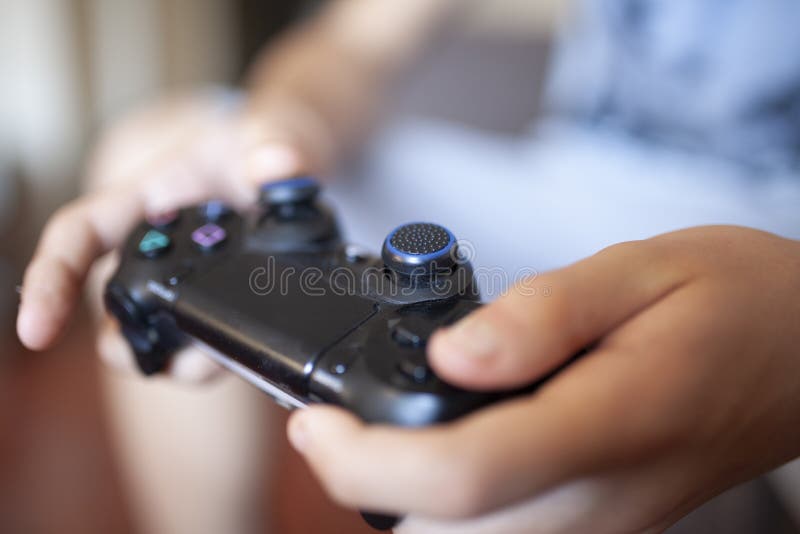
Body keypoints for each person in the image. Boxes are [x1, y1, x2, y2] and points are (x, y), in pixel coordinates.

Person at [16, 0, 800, 532]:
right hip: (581, 175)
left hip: (781, 238)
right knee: (160, 158)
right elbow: (354, 40)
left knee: (478, 498)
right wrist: (286, 130)